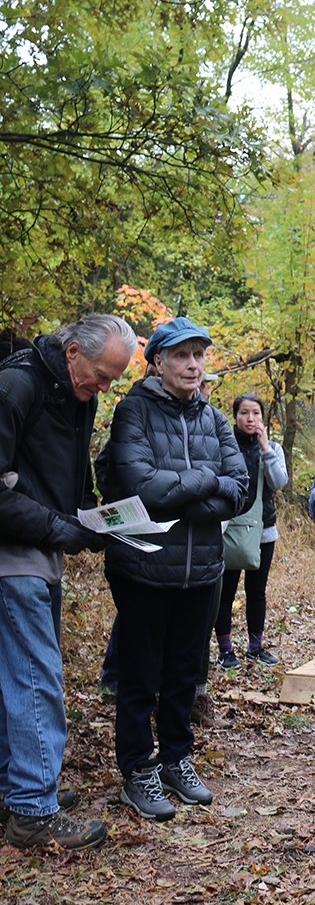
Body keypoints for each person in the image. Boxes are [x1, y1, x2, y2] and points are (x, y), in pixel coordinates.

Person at [0, 314, 137, 850]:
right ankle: (33, 808)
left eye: (111, 381)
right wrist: (61, 527)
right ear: (73, 351)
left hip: (43, 550)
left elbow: (73, 476)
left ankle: (19, 788)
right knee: (37, 677)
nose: (103, 388)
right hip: (15, 557)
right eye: (101, 375)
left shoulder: (77, 395)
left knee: (18, 675)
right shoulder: (17, 385)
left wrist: (96, 518)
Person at [102, 317, 248, 820]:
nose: (193, 365)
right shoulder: (133, 411)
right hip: (144, 568)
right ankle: (138, 770)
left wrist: (187, 491)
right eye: (182, 356)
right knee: (141, 675)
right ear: (158, 361)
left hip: (202, 569)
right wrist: (208, 480)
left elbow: (241, 490)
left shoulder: (214, 418)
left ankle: (176, 760)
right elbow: (143, 489)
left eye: (199, 355)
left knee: (185, 672)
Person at [214, 393, 288, 667]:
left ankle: (255, 647)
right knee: (226, 591)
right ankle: (225, 651)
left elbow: (279, 482)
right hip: (229, 531)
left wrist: (265, 449)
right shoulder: (224, 446)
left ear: (263, 418)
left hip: (263, 530)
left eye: (256, 413)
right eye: (244, 413)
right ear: (235, 416)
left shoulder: (273, 448)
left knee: (257, 591)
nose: (250, 419)